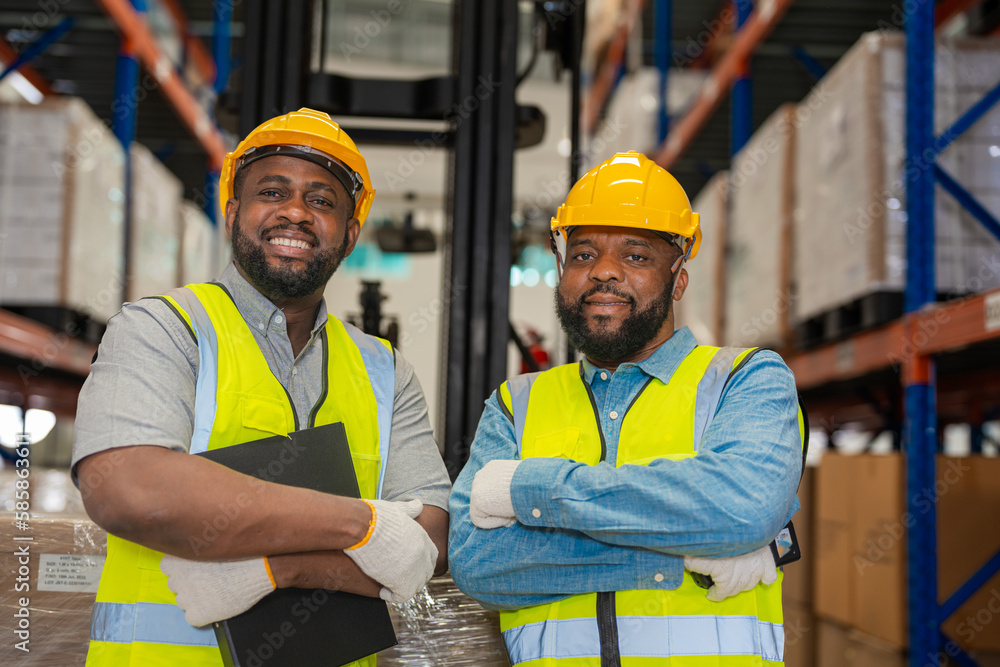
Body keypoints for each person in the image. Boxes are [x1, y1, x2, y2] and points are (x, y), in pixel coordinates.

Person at [72, 108, 450, 667]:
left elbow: (430, 541)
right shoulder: (164, 330)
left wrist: (279, 569)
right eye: (272, 192)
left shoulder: (386, 372)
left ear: (350, 234)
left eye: (322, 201)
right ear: (232, 214)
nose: (295, 212)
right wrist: (365, 523)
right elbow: (129, 488)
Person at [449, 151, 804, 666]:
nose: (604, 273)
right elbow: (478, 562)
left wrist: (532, 488)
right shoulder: (515, 403)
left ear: (678, 278)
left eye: (636, 256)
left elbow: (739, 509)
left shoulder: (745, 378)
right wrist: (685, 553)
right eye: (584, 255)